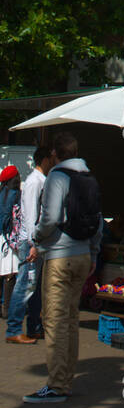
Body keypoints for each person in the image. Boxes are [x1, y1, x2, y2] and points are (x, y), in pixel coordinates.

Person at [24, 132, 102, 404]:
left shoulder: (58, 176)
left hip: (59, 255)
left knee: (55, 321)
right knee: (70, 319)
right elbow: (98, 219)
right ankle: (65, 379)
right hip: (82, 255)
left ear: (55, 154)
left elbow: (51, 217)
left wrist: (37, 236)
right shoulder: (88, 177)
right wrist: (93, 252)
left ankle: (57, 385)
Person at [6, 145, 55, 343]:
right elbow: (31, 215)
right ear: (45, 159)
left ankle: (34, 326)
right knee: (25, 284)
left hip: (38, 242)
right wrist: (33, 242)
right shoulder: (35, 182)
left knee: (34, 286)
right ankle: (14, 329)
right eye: (52, 157)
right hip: (32, 242)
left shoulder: (42, 181)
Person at [0, 166, 21, 318]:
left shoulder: (1, 194)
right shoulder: (16, 195)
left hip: (1, 236)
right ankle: (6, 309)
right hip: (9, 237)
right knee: (10, 274)